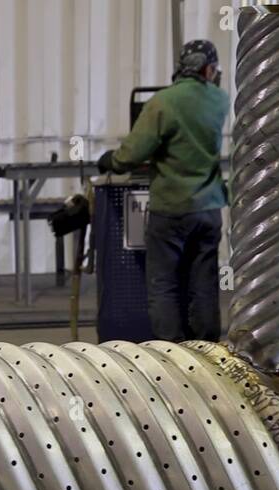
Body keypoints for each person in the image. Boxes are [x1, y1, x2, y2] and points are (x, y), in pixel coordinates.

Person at [97, 40, 229, 342]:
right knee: (204, 283)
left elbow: (131, 154)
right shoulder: (220, 101)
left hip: (170, 209)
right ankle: (209, 349)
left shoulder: (162, 102)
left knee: (163, 283)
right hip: (209, 208)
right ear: (209, 70)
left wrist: (110, 161)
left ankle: (171, 354)